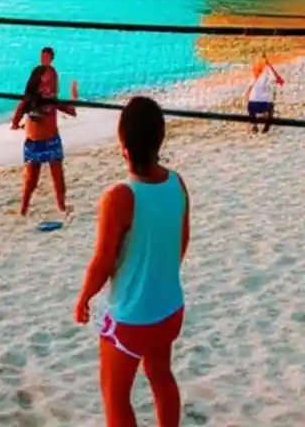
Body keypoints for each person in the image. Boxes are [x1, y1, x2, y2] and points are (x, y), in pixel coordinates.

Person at [75, 96, 189, 427]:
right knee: (161, 376)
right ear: (159, 141)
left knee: (115, 395)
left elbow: (101, 263)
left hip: (132, 318)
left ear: (123, 146)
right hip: (170, 309)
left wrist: (83, 297)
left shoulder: (119, 197)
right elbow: (181, 243)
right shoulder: (177, 183)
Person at [11, 47, 78, 217]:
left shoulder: (52, 99)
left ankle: (62, 206)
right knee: (31, 179)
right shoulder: (31, 99)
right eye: (46, 82)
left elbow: (70, 110)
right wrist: (15, 123)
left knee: (58, 175)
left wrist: (73, 96)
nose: (50, 85)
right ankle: (23, 209)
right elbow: (20, 109)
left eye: (52, 82)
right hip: (34, 141)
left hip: (51, 139)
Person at [243, 55, 285, 134]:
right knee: (271, 107)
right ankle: (266, 126)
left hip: (252, 105)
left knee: (250, 106)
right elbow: (276, 85)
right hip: (264, 105)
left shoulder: (253, 79)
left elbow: (247, 93)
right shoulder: (268, 79)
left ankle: (254, 125)